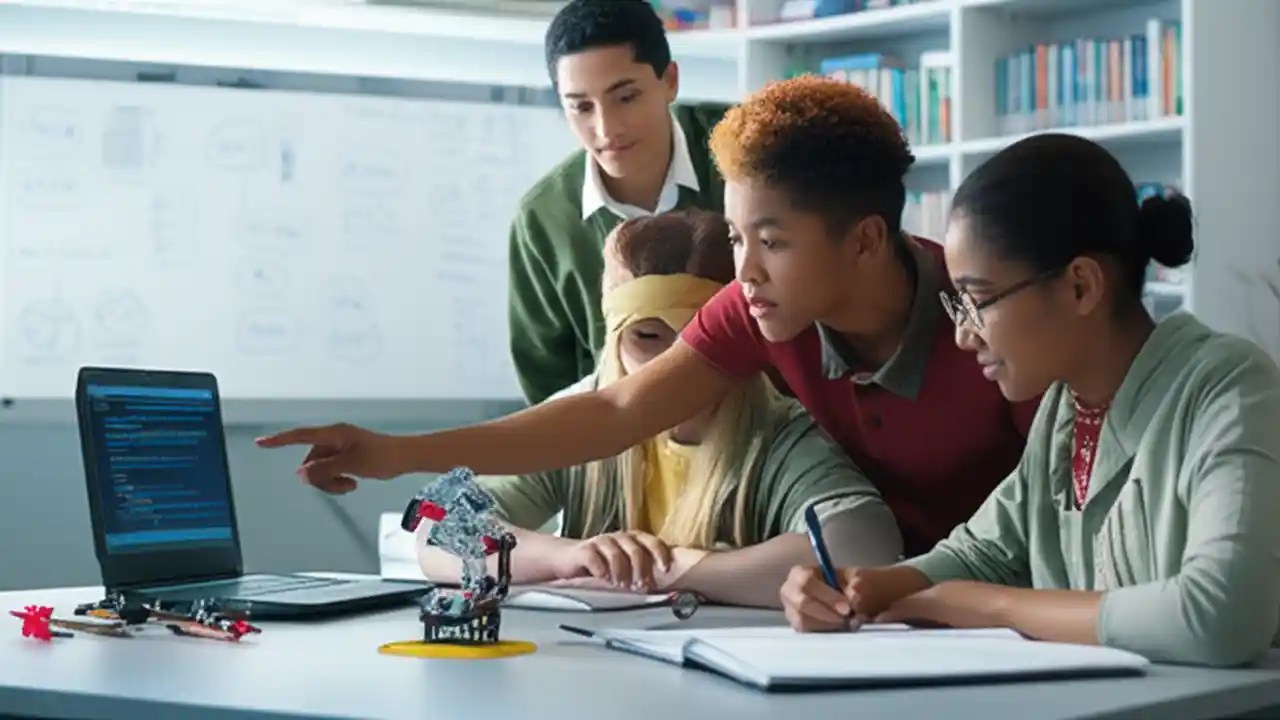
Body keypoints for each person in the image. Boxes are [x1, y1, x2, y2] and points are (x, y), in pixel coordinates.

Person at [257, 76, 1037, 559]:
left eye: (772, 241)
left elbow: (1056, 510)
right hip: (878, 612)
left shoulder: (991, 323)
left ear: (866, 239)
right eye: (735, 238)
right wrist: (394, 453)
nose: (746, 270)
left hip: (992, 600)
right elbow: (614, 411)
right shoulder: (760, 306)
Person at [777, 133, 1280, 668]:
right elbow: (985, 551)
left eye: (982, 300)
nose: (965, 336)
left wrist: (996, 607)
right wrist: (868, 587)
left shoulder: (1228, 388)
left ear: (1081, 287)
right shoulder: (1065, 410)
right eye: (958, 304)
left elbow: (1222, 615)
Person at [418, 209, 903, 606]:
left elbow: (867, 552)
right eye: (648, 336)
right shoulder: (580, 423)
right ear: (612, 335)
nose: (675, 365)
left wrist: (672, 568)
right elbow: (435, 528)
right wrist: (571, 557)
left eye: (704, 342)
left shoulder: (778, 437)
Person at [510, 0, 730, 404]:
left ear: (670, 81)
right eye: (581, 107)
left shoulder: (743, 154)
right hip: (620, 447)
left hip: (762, 427)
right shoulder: (542, 220)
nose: (606, 128)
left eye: (625, 97)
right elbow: (548, 389)